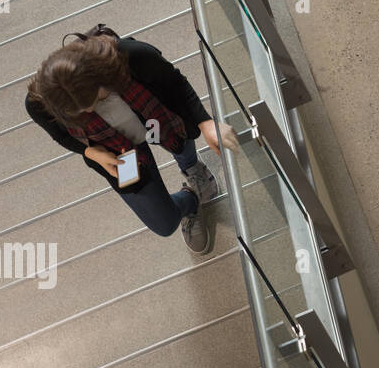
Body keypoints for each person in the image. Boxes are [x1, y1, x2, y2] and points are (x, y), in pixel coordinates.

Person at [25, 24, 237, 253]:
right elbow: (59, 134)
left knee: (177, 139)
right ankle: (191, 200)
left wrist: (205, 122)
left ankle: (192, 169)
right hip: (114, 148)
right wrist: (90, 152)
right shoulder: (41, 102)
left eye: (94, 103)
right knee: (163, 223)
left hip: (156, 119)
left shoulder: (132, 56)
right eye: (77, 114)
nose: (88, 113)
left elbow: (175, 84)